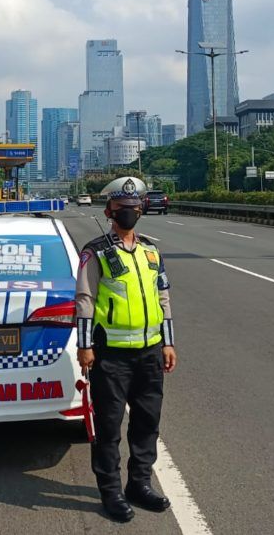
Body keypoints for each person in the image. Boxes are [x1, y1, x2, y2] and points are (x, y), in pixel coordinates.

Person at [75, 176, 177, 523]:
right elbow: (85, 300)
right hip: (111, 355)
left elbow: (162, 298)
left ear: (141, 210)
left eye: (134, 209)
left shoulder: (151, 251)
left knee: (147, 422)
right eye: (122, 209)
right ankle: (111, 492)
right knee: (109, 425)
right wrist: (85, 346)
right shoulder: (96, 251)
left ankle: (139, 484)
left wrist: (168, 342)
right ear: (109, 211)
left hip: (149, 352)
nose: (128, 214)